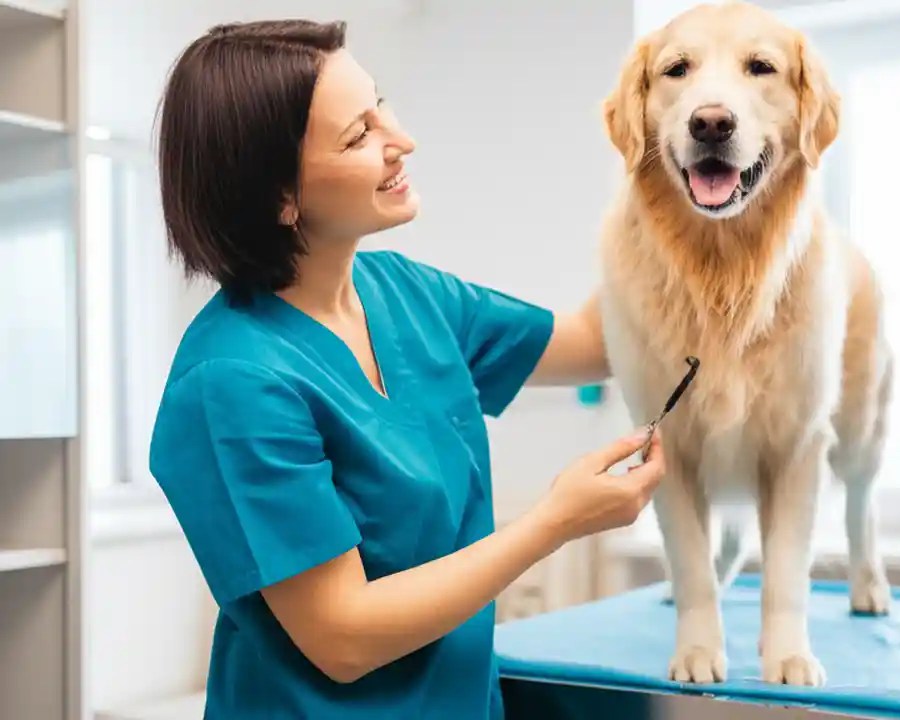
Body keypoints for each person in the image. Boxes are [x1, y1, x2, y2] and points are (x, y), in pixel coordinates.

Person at [147, 19, 665, 720]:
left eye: (380, 103)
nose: (403, 140)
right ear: (278, 196)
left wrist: (680, 198)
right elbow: (344, 636)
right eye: (359, 135)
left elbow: (592, 343)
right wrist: (555, 522)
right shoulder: (234, 379)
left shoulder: (408, 294)